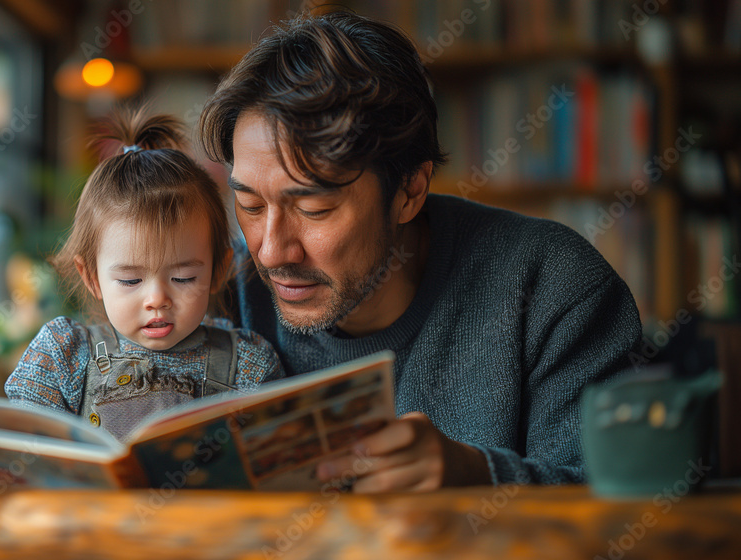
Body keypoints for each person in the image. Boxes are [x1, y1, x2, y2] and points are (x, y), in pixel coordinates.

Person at [199, 11, 642, 491]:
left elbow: (631, 509)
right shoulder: (216, 289)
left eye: (314, 208)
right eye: (249, 204)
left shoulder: (552, 288)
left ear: (409, 190)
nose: (269, 251)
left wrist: (478, 477)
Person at [2, 109, 284, 442]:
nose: (157, 300)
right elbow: (21, 446)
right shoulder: (64, 355)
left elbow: (275, 458)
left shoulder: (247, 364)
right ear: (92, 277)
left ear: (218, 270)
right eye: (131, 281)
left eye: (183, 278)